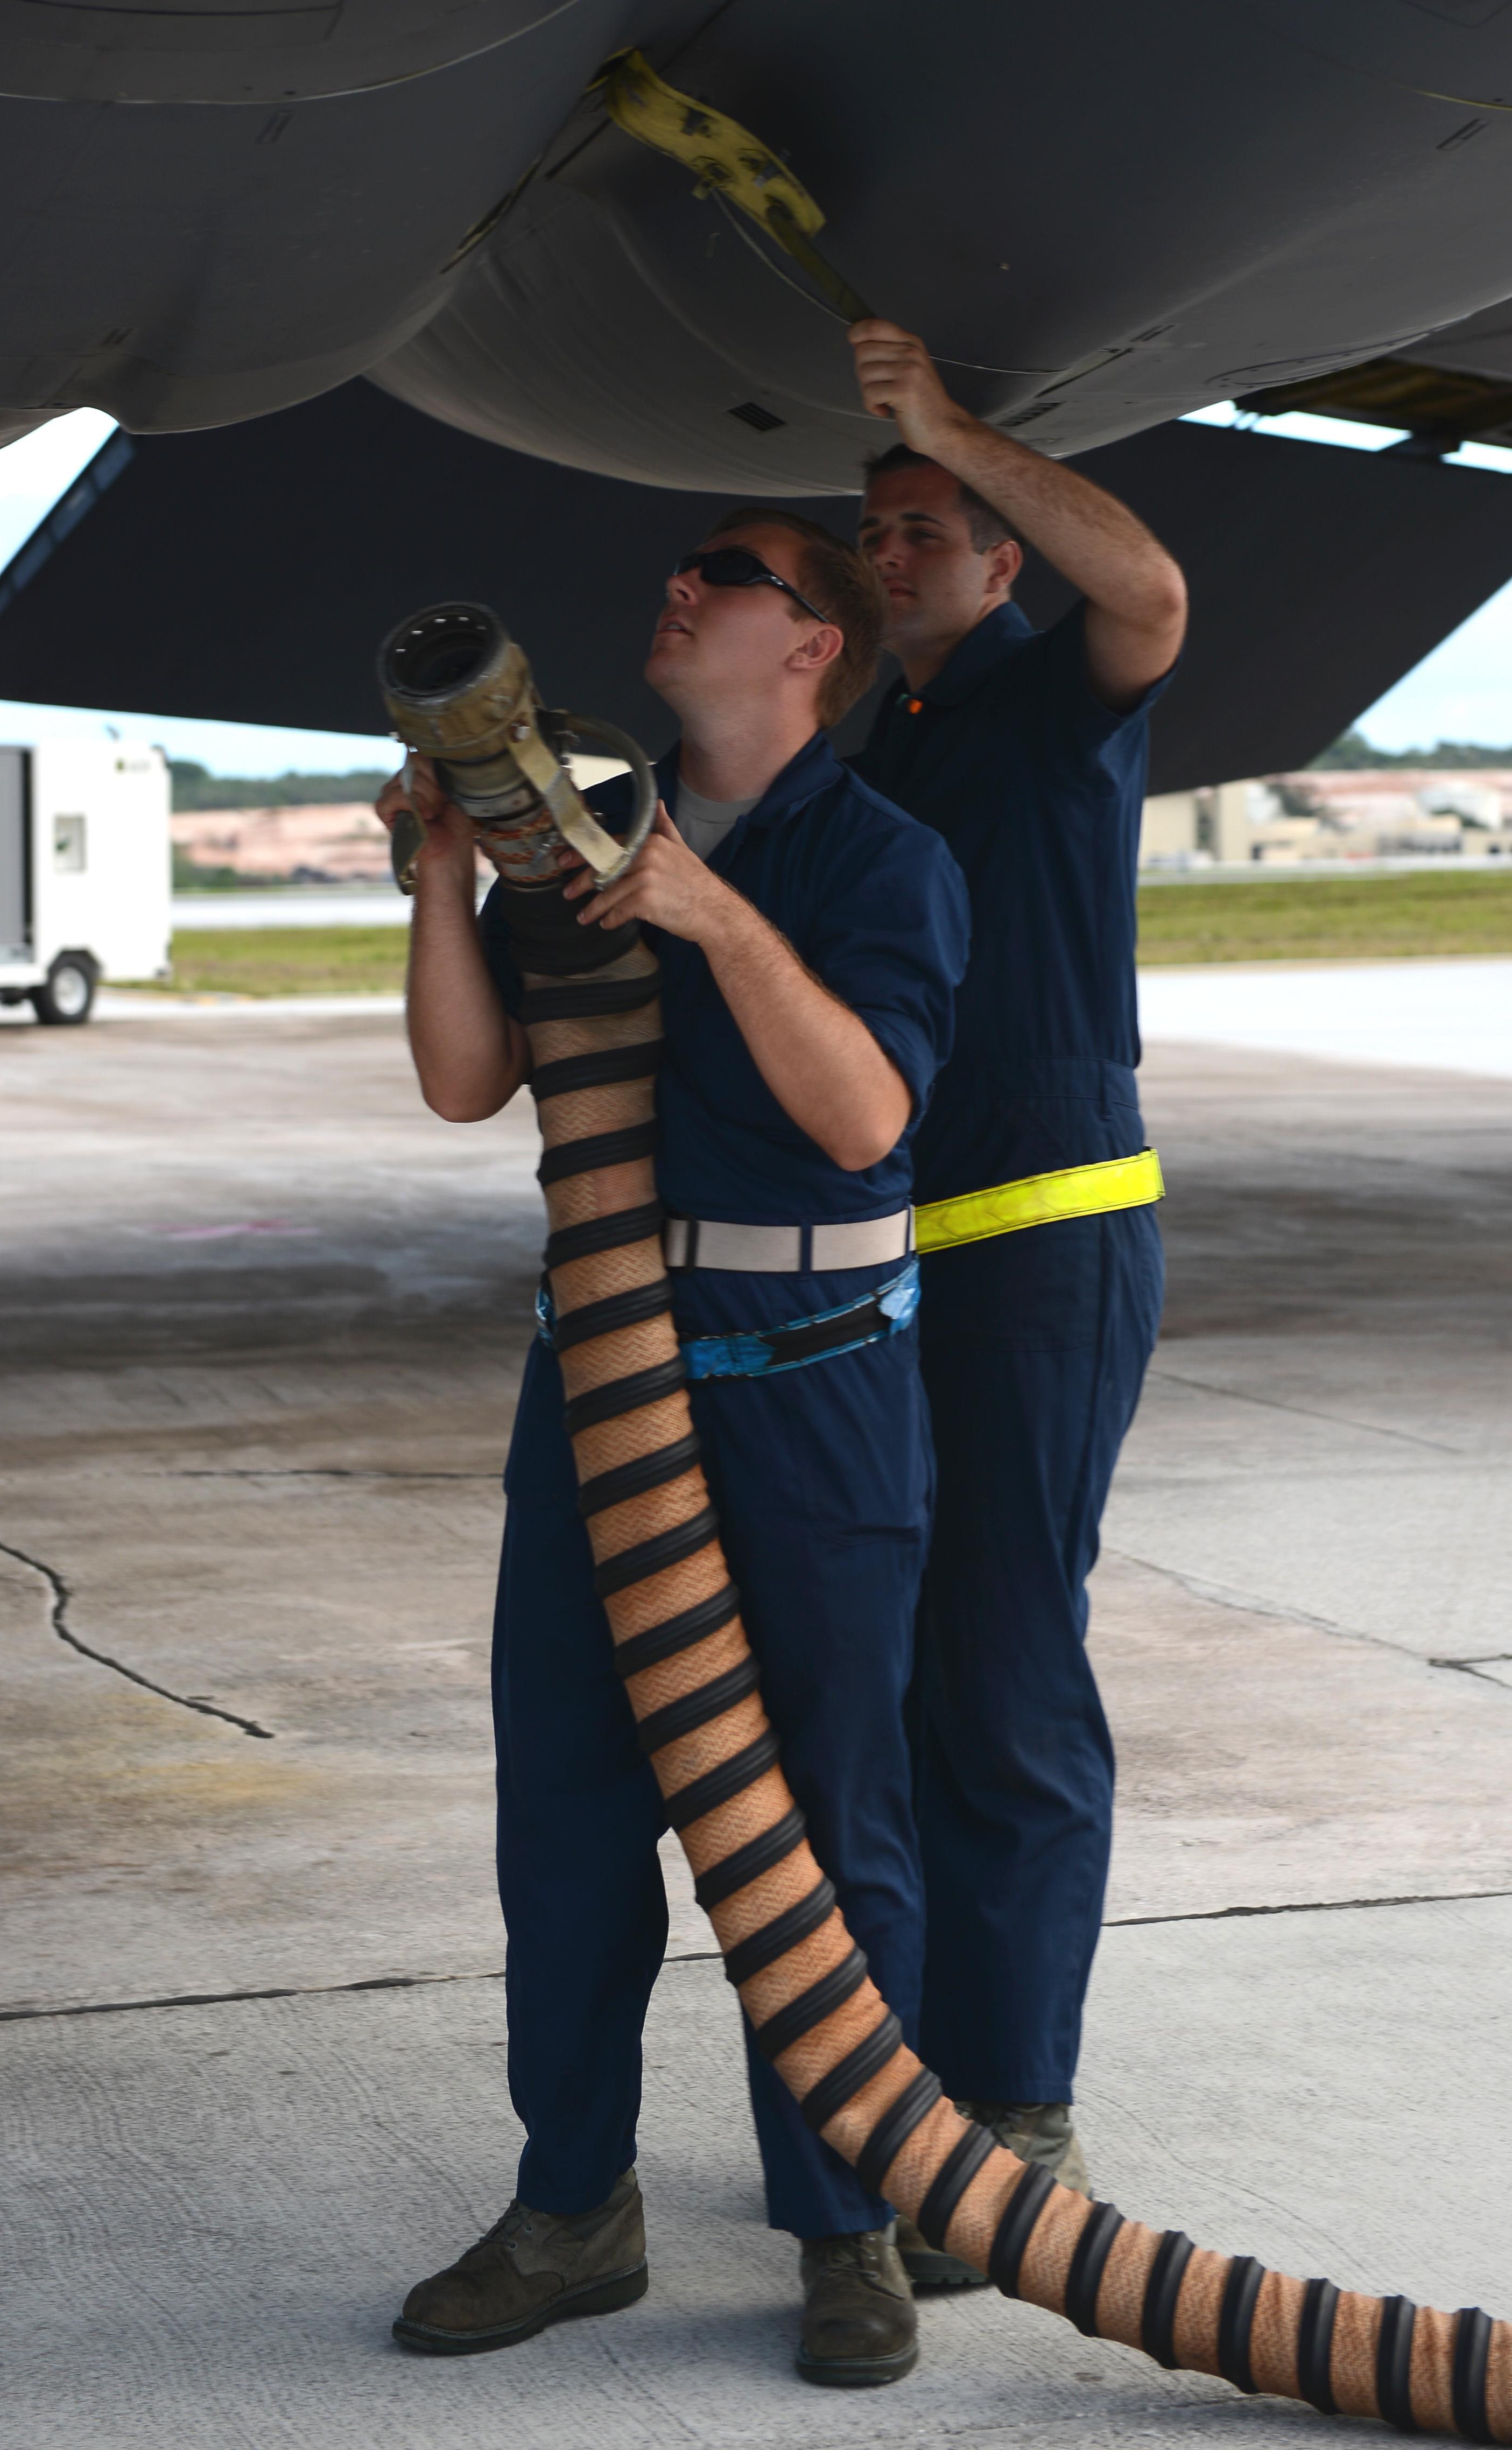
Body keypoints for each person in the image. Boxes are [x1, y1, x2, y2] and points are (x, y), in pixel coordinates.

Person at [383, 510, 968, 2385]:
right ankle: (574, 2208)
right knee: (564, 1815)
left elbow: (864, 1118)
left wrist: (711, 914)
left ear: (814, 645)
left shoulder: (881, 861)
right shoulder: (578, 832)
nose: (681, 587)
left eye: (730, 574)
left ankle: (849, 2224)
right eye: (683, 569)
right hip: (599, 1382)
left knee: (830, 1826)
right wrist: (441, 874)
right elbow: (467, 1081)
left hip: (809, 1384)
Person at [848, 317, 1188, 2285]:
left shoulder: (1050, 697)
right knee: (903, 1680)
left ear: (998, 562)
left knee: (1004, 1672)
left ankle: (1023, 2116)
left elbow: (1149, 593)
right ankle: (920, 2084)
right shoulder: (883, 739)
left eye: (930, 530)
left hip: (1044, 1250)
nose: (896, 551)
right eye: (878, 531)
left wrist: (954, 429)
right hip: (906, 1263)